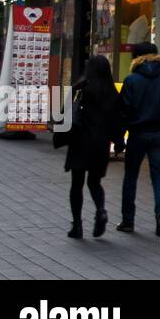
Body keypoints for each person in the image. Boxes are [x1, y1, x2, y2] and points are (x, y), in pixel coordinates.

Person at [118, 42, 160, 236]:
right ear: (156, 56)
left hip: (137, 133)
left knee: (130, 176)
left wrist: (119, 135)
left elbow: (123, 110)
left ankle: (128, 220)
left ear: (136, 59)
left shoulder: (132, 80)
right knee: (158, 176)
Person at [61, 55, 124, 240]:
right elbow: (118, 121)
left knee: (77, 184)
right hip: (101, 144)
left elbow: (65, 112)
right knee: (94, 182)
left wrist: (73, 90)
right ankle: (101, 211)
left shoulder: (82, 90)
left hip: (80, 142)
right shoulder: (113, 94)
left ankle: (77, 226)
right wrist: (119, 141)